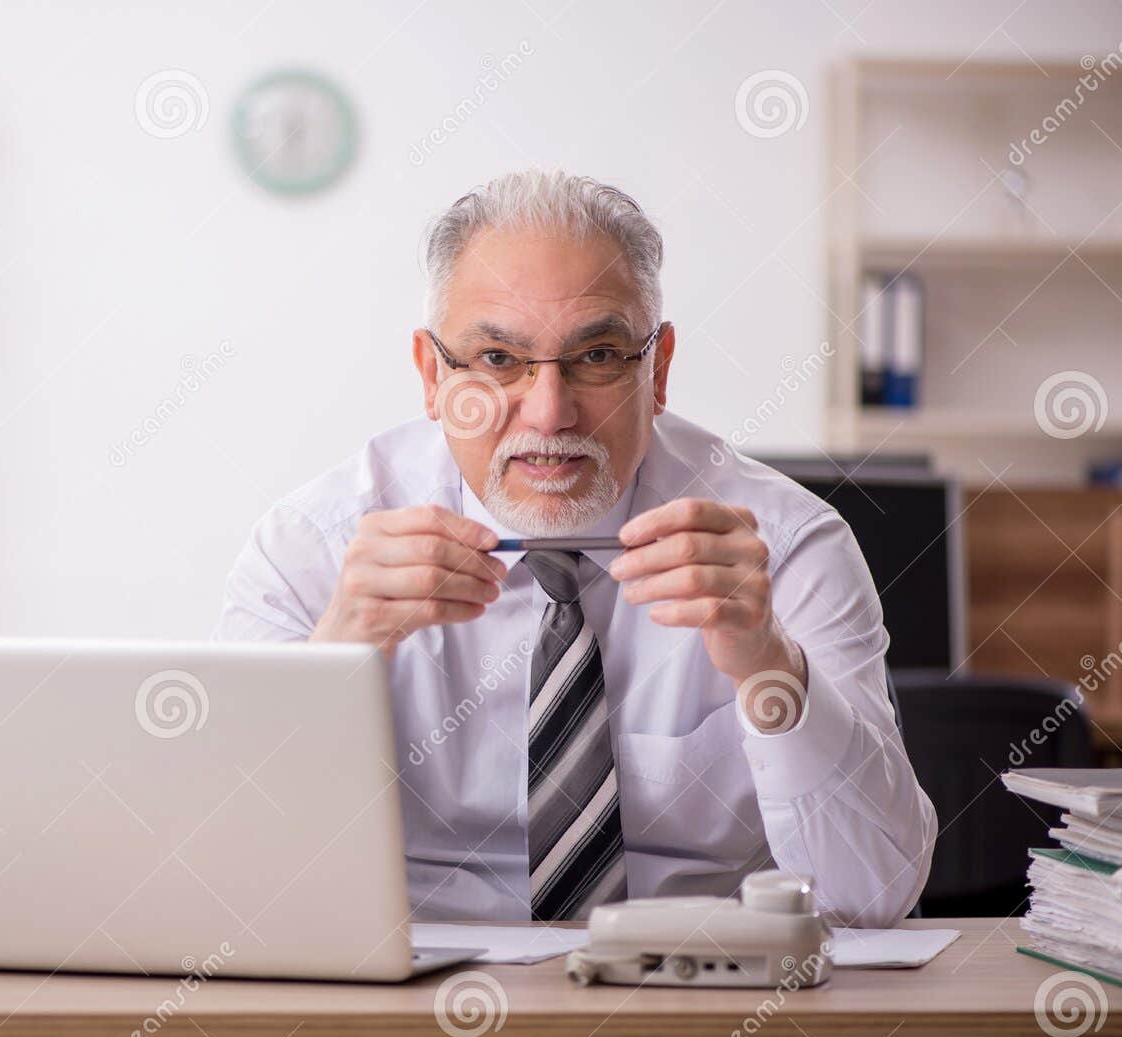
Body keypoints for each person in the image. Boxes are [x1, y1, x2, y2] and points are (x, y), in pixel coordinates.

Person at [214, 170, 935, 927]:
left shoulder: (782, 548)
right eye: (497, 358)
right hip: (411, 1007)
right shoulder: (314, 548)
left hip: (700, 999)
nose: (551, 412)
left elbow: (872, 896)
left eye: (597, 356)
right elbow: (231, 885)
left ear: (657, 371)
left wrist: (766, 661)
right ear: (433, 376)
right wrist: (330, 671)